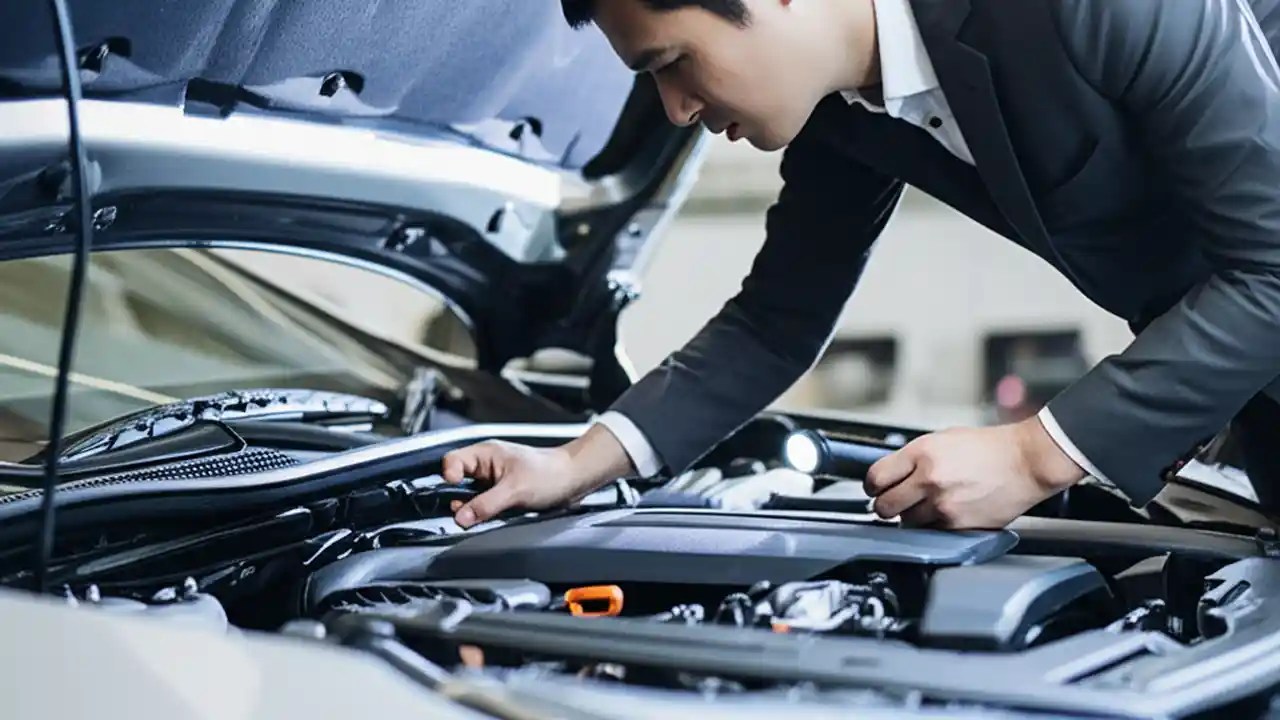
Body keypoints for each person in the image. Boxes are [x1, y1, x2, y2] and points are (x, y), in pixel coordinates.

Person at [442, 0, 1280, 530]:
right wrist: (576, 465)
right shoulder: (841, 113)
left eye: (672, 64)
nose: (677, 110)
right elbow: (777, 319)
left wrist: (1034, 455)